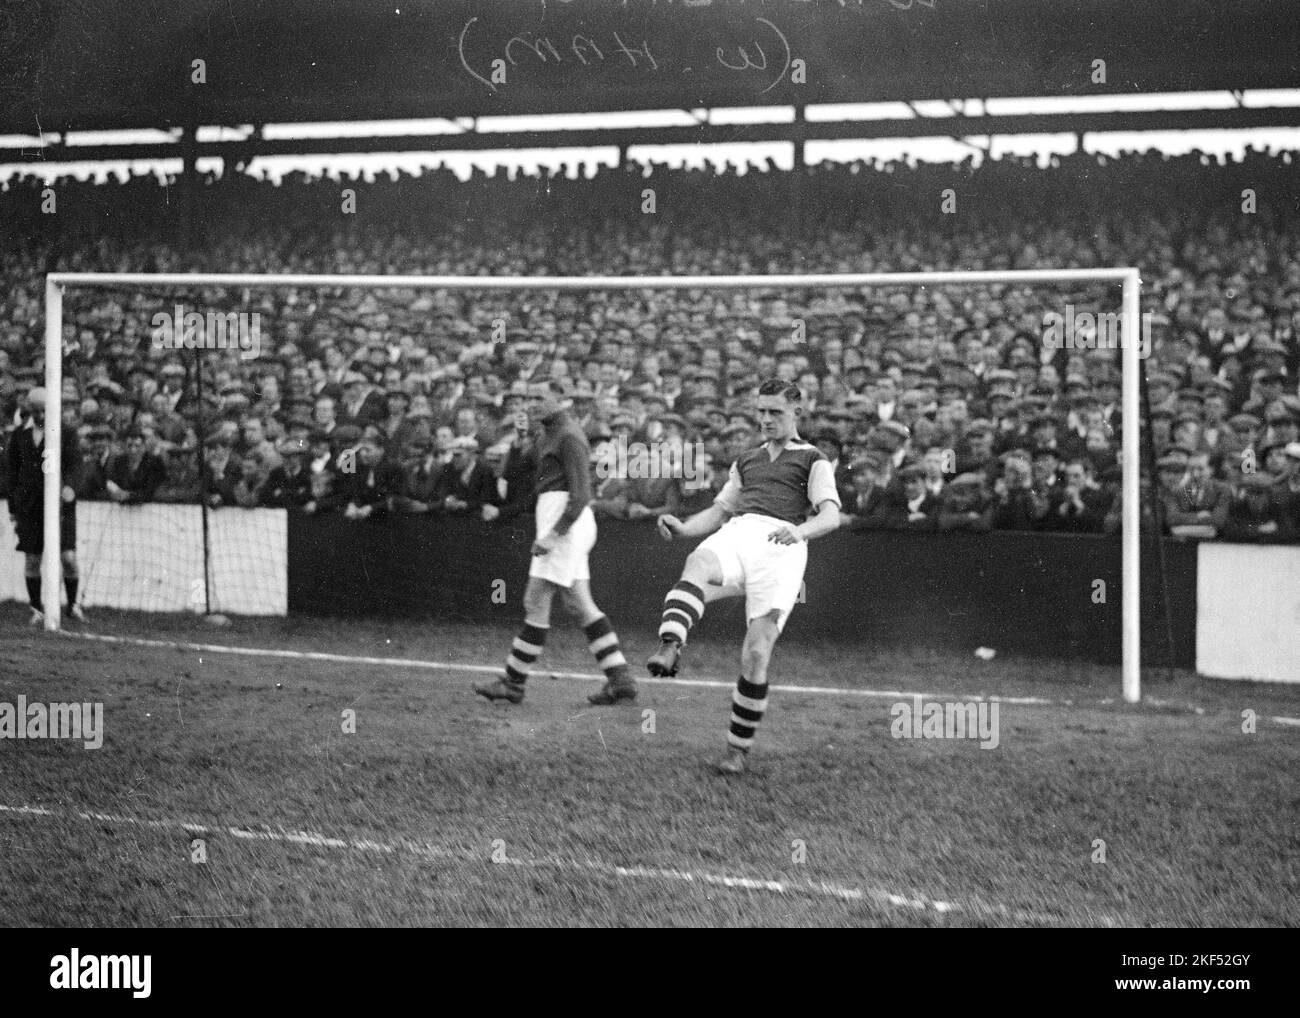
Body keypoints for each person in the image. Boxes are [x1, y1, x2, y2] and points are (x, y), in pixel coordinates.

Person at [646, 379, 841, 775]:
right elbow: (719, 512)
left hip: (782, 547)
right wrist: (683, 527)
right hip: (741, 531)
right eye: (762, 411)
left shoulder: (813, 459)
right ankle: (670, 645)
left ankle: (737, 750)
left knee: (756, 653)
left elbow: (831, 515)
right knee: (697, 565)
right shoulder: (747, 459)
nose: (766, 419)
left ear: (797, 414)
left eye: (776, 413)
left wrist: (800, 530)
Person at [474, 381, 636, 707]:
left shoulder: (570, 436)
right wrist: (518, 441)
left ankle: (514, 683)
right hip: (556, 520)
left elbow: (581, 496)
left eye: (538, 398)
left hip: (566, 523)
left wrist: (553, 534)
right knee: (579, 604)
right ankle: (621, 680)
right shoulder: (544, 434)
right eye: (528, 398)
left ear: (562, 401)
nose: (530, 404)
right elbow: (527, 478)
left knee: (535, 599)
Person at [4, 388, 85, 624]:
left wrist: (70, 486)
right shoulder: (20, 435)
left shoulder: (66, 433)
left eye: (44, 410)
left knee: (68, 557)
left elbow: (76, 465)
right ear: (29, 409)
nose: (40, 415)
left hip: (60, 505)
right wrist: (12, 508)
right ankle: (36, 609)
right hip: (30, 507)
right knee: (32, 559)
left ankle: (72, 605)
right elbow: (13, 474)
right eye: (36, 410)